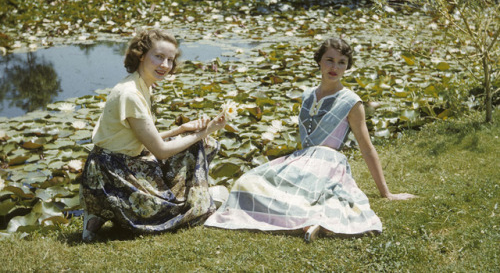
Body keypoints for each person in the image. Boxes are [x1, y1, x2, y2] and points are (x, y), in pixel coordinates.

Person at [204, 37, 416, 242]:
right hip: (302, 159)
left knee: (315, 194)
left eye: (342, 62)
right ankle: (308, 221)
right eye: (329, 60)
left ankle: (314, 222)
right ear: (319, 62)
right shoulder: (307, 96)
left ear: (347, 67)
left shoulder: (352, 102)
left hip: (329, 163)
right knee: (247, 181)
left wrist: (386, 192)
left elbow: (367, 148)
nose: (335, 67)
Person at [80, 29, 226, 242]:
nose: (165, 65)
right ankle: (102, 209)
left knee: (197, 141)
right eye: (159, 57)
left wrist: (181, 129)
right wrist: (206, 130)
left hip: (122, 160)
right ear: (141, 55)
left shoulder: (139, 84)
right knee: (172, 210)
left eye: (170, 59)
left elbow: (139, 138)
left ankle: (104, 211)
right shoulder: (130, 94)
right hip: (111, 171)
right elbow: (160, 150)